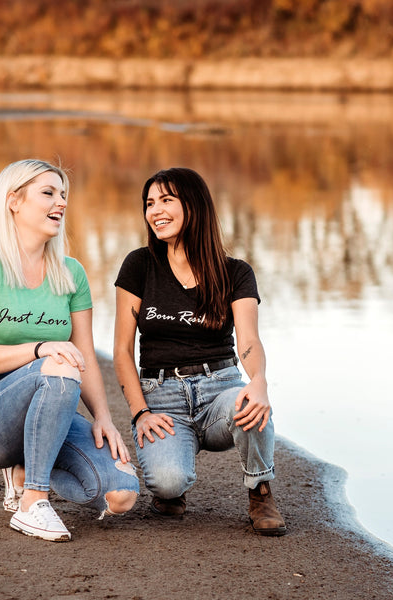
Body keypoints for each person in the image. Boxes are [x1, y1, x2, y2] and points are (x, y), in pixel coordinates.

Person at [0, 159, 138, 542]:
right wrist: (38, 349)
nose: (61, 202)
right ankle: (33, 501)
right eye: (48, 193)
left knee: (121, 496)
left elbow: (84, 354)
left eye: (64, 194)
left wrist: (103, 417)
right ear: (14, 201)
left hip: (54, 399)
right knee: (58, 365)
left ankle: (23, 468)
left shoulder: (71, 273)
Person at [113, 167, 287, 536]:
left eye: (166, 200)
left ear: (194, 206)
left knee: (250, 403)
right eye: (149, 203)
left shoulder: (236, 272)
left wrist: (258, 381)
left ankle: (260, 488)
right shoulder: (139, 265)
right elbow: (122, 351)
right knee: (168, 485)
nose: (155, 210)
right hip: (161, 397)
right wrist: (140, 412)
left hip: (218, 389)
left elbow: (250, 341)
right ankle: (175, 472)